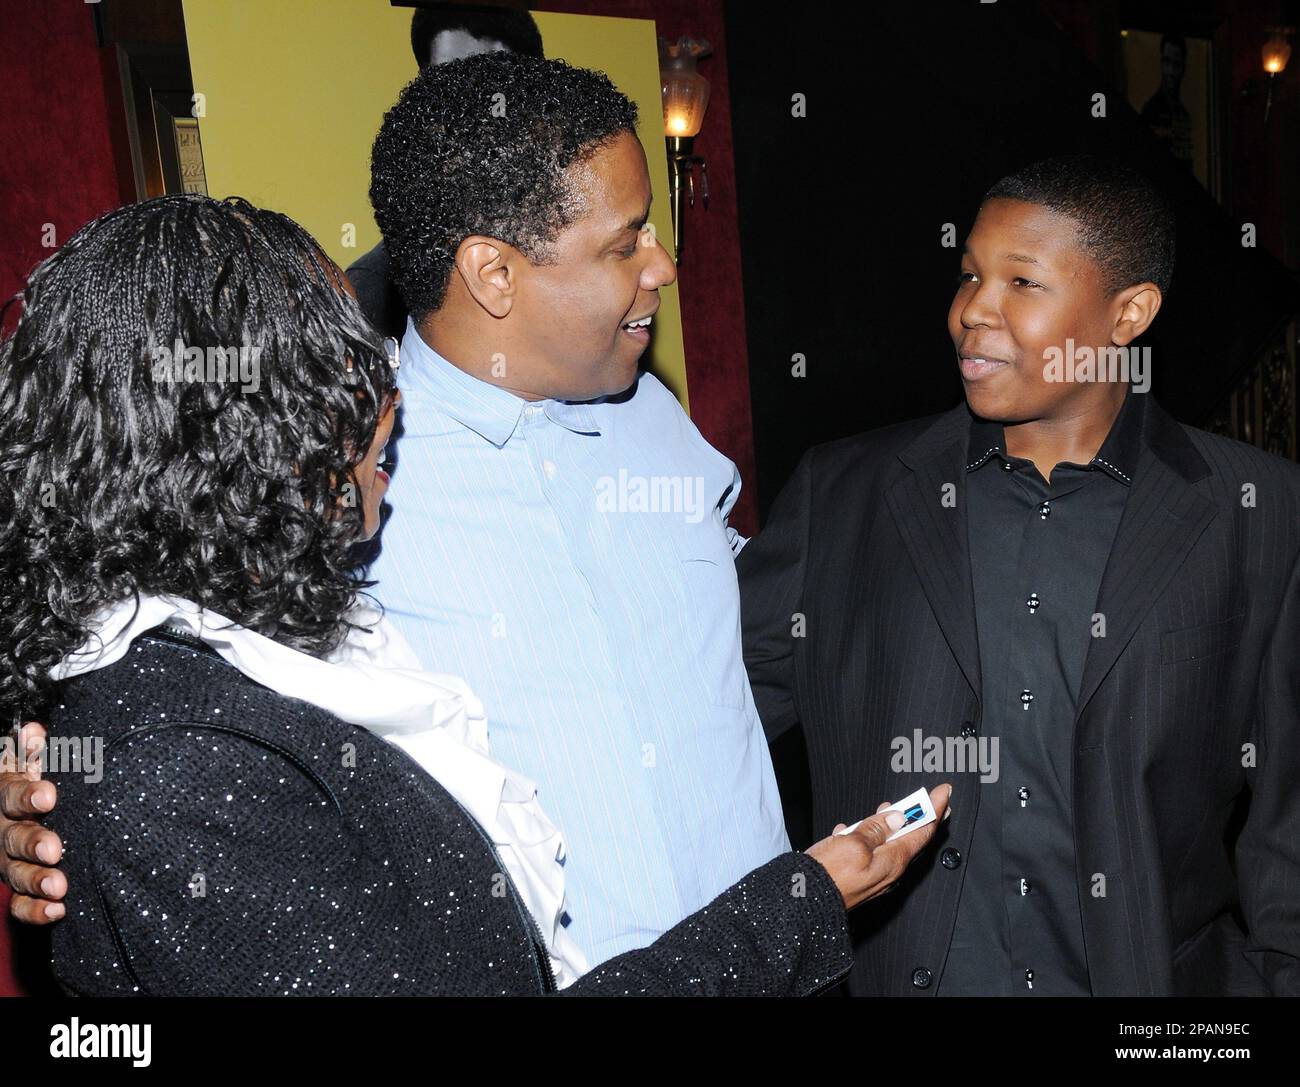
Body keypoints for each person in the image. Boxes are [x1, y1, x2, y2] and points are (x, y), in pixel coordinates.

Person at [0, 194, 948, 996]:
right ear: (240, 435)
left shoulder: (285, 645)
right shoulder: (184, 761)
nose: (383, 393)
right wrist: (802, 905)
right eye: (338, 364)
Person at [738, 154, 1300, 997]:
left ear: (1129, 313)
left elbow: (1288, 823)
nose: (971, 312)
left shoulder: (1256, 511)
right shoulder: (844, 497)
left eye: (1022, 283)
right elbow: (704, 720)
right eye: (968, 274)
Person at [346, 4, 545, 338]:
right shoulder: (375, 290)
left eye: (493, 84)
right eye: (448, 83)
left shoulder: (588, 260)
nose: (470, 107)